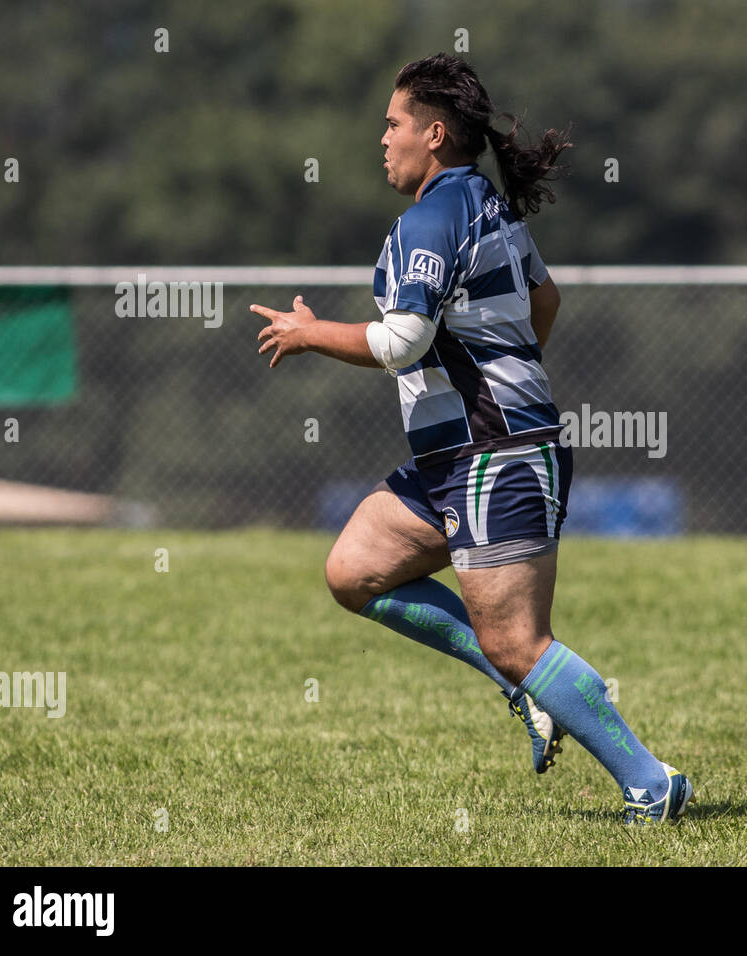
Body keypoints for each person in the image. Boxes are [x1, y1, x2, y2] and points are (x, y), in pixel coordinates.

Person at [250, 53, 692, 823]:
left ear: (435, 132)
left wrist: (312, 332)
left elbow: (402, 343)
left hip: (496, 455)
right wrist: (503, 363)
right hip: (457, 457)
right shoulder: (482, 203)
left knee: (519, 640)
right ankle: (521, 691)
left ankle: (652, 784)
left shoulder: (435, 215)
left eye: (393, 125)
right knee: (355, 571)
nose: (381, 138)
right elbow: (543, 299)